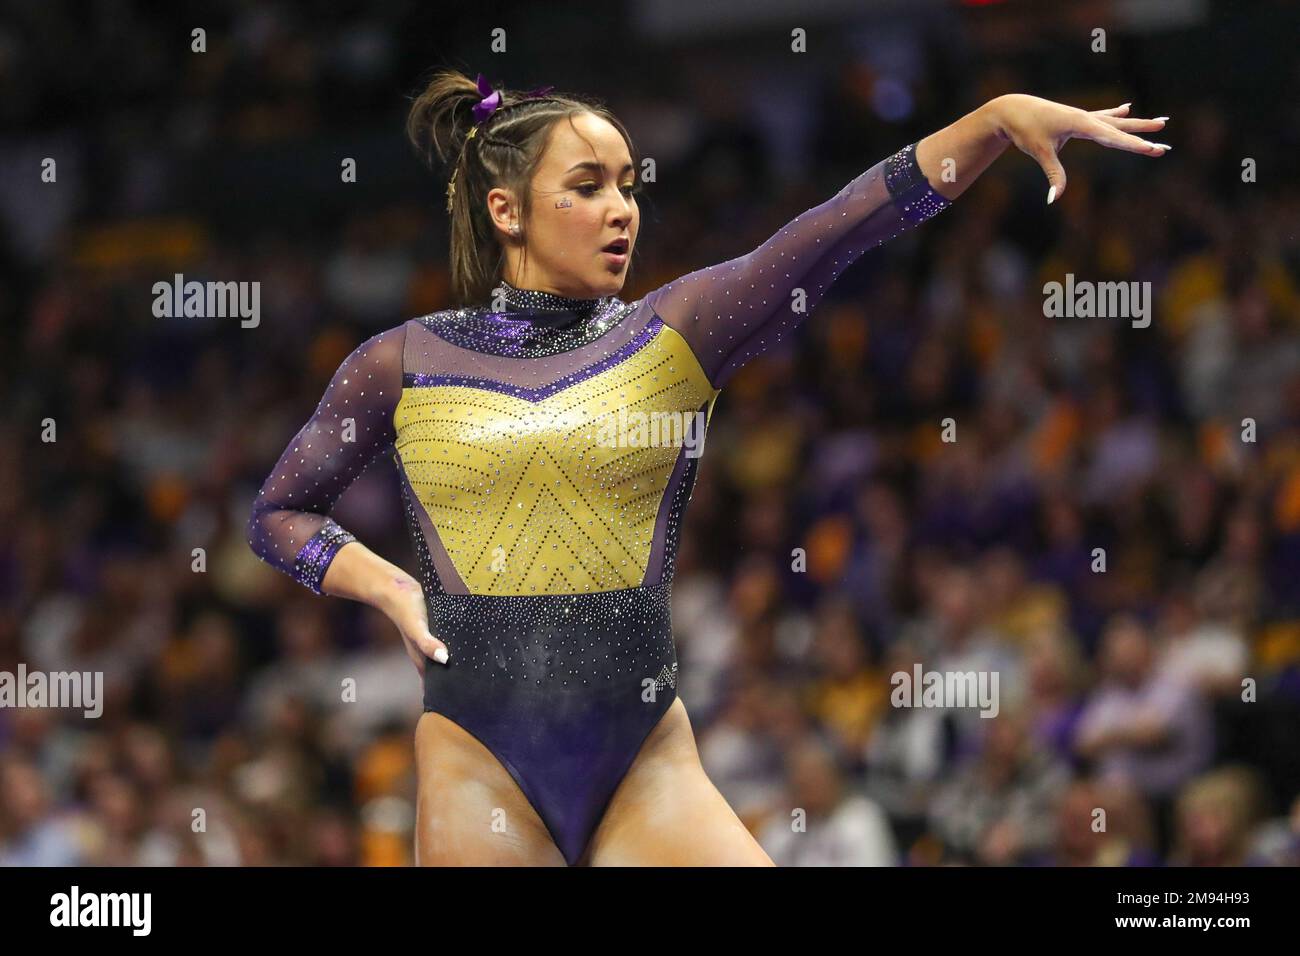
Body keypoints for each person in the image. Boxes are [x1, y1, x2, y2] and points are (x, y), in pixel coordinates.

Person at [247, 68, 1170, 865]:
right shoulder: (399, 363)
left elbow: (838, 229)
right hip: (476, 757)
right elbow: (280, 513)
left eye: (629, 185)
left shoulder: (677, 333)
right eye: (588, 186)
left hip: (644, 760)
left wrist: (995, 119)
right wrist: (388, 589)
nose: (622, 210)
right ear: (507, 210)